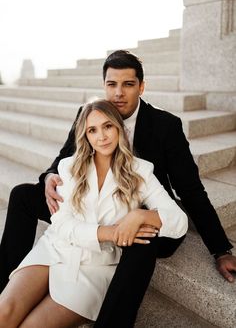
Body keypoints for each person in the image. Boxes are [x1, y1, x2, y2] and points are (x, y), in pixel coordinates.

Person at [0, 50, 235, 326]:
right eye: (112, 84)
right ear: (104, 86)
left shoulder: (165, 127)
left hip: (141, 208)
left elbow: (191, 190)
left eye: (128, 84)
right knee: (21, 195)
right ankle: (6, 280)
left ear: (141, 87)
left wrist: (220, 249)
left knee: (140, 242)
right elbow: (66, 156)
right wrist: (51, 175)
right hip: (90, 204)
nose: (119, 93)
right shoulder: (89, 115)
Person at [0, 100, 188, 328]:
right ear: (85, 136)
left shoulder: (141, 171)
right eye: (93, 130)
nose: (102, 136)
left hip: (95, 268)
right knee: (4, 312)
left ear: (120, 128)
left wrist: (140, 216)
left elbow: (179, 222)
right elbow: (61, 224)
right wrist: (109, 232)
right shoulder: (69, 167)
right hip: (54, 249)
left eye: (108, 126)